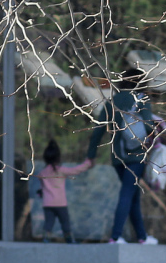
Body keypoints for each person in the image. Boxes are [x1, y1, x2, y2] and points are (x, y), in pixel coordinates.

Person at [87, 65, 159, 244]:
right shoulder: (142, 98)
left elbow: (98, 130)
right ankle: (115, 237)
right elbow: (149, 125)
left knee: (133, 195)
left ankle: (142, 237)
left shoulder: (112, 101)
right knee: (127, 193)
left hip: (117, 157)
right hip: (136, 156)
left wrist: (91, 154)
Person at [38, 140, 91, 243]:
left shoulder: (42, 172)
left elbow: (42, 188)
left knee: (48, 224)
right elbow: (76, 170)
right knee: (65, 223)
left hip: (47, 203)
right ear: (58, 157)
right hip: (60, 203)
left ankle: (45, 239)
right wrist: (87, 163)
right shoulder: (60, 170)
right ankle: (69, 241)